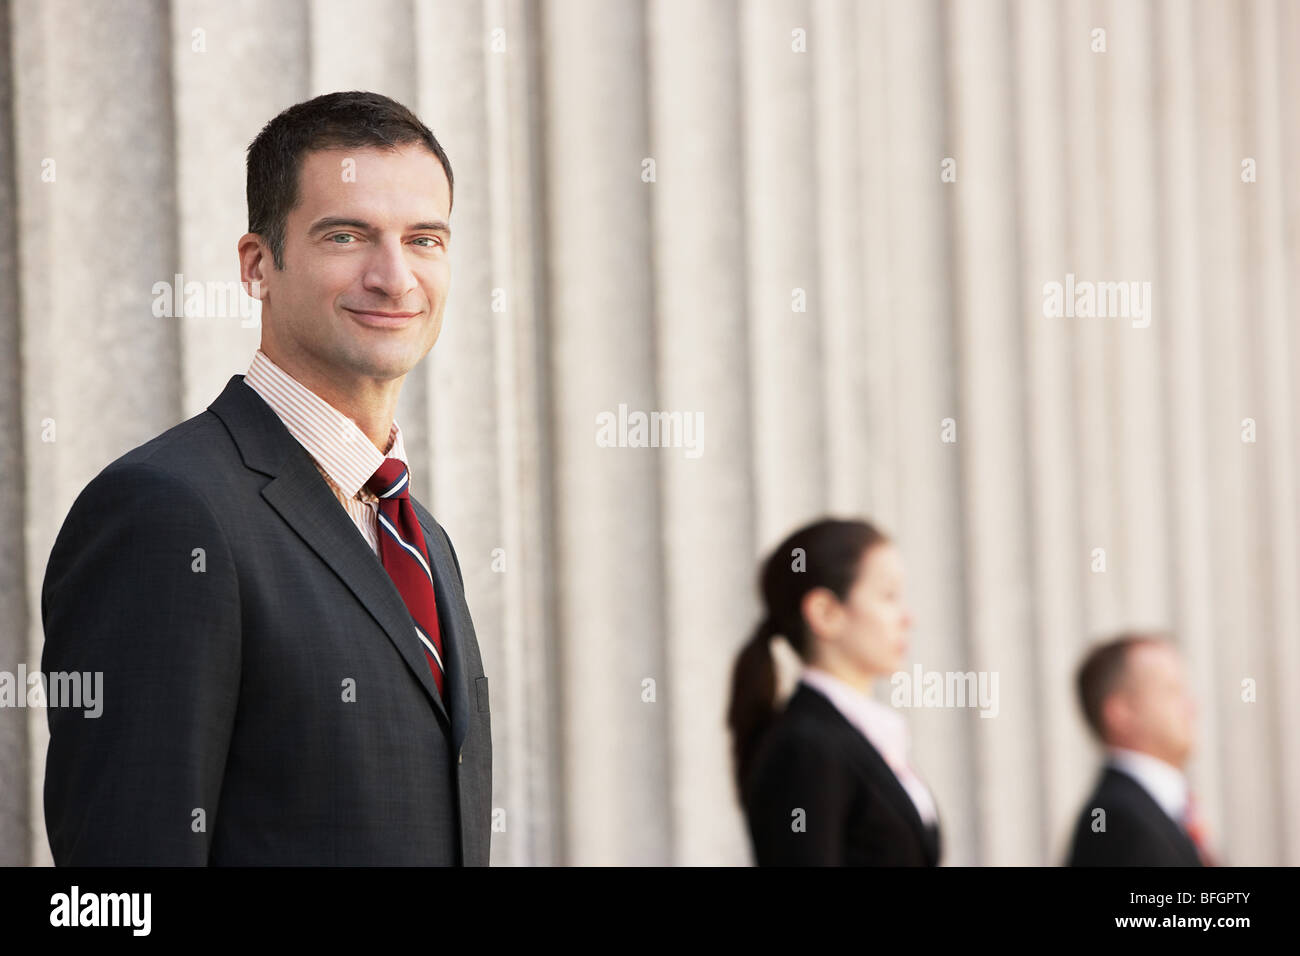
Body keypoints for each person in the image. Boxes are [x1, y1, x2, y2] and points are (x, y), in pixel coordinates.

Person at [41, 91, 491, 865]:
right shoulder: (167, 512)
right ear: (258, 266)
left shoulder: (423, 539)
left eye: (424, 238)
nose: (394, 276)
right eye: (346, 235)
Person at [728, 517, 941, 866]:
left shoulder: (850, 734)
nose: (908, 618)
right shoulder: (806, 745)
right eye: (888, 596)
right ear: (826, 613)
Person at [1066, 632, 1210, 866]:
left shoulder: (1154, 812)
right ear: (1121, 713)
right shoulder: (1116, 823)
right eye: (1172, 691)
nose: (1192, 707)